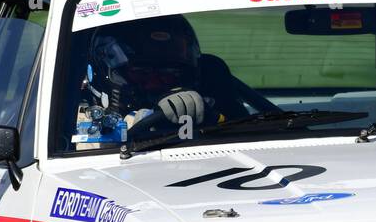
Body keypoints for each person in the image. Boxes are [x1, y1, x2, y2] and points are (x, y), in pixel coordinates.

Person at [73, 15, 249, 149]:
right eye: (142, 73)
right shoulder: (65, 122)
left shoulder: (209, 110)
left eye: (170, 73)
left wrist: (206, 119)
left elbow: (251, 132)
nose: (156, 82)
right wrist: (137, 124)